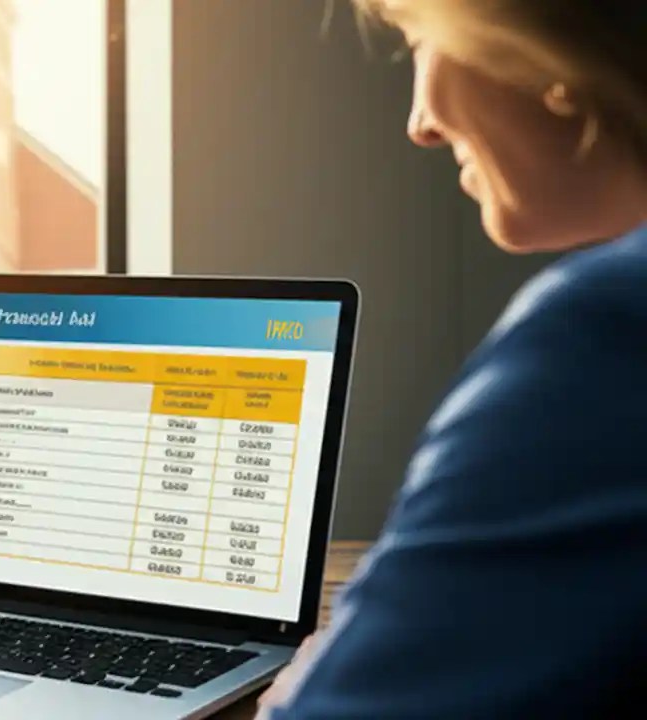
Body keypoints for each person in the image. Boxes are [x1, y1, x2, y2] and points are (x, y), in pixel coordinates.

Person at [258, 0, 647, 717]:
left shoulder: (604, 336)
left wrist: (308, 685)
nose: (421, 124)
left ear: (544, 54)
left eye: (422, 43)